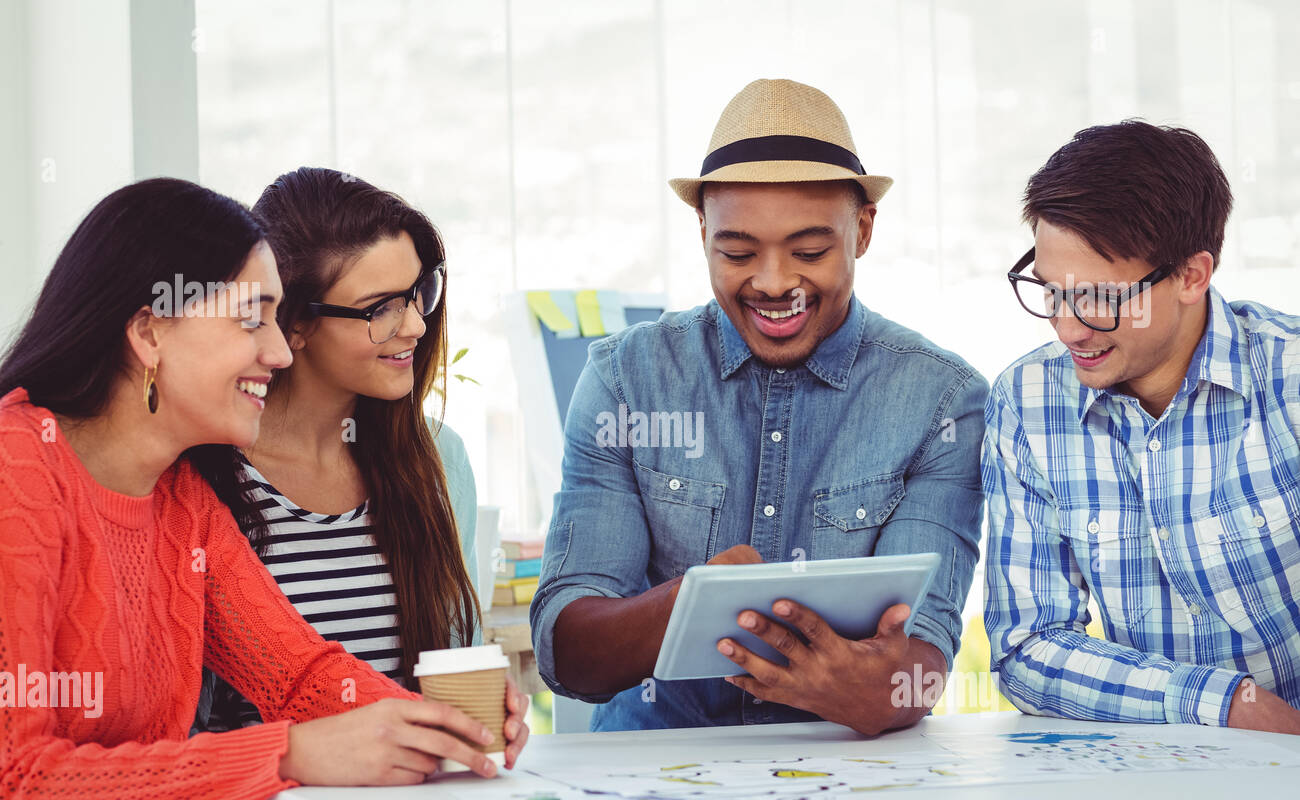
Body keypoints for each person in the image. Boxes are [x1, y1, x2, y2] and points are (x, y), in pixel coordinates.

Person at [0, 179, 511, 800]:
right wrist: (287, 751)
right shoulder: (17, 474)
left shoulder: (180, 498)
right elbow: (12, 792)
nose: (278, 351)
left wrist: (442, 726)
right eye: (251, 319)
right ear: (150, 331)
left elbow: (298, 677)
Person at [531, 79, 988, 733]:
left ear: (862, 230)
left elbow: (924, 657)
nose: (774, 283)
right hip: (653, 782)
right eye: (738, 253)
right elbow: (567, 657)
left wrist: (881, 693)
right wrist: (691, 604)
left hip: (852, 782)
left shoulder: (942, 401)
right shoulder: (626, 380)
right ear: (702, 232)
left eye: (809, 252)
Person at [983, 120, 1300, 733]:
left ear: (1191, 275)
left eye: (1101, 297)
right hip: (1145, 781)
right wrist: (1228, 705)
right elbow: (1028, 647)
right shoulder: (1026, 401)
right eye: (1051, 291)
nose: (1069, 328)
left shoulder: (1289, 380)